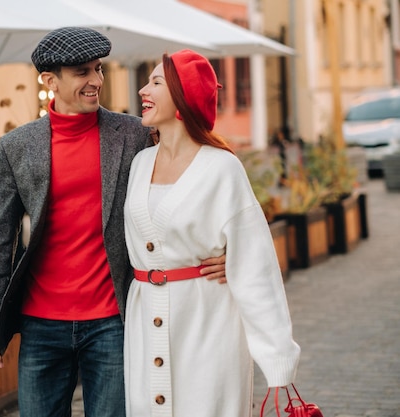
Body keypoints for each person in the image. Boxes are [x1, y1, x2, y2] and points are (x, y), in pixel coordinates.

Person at [0, 28, 226, 417]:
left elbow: (184, 188)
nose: (95, 81)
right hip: (41, 325)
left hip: (113, 320)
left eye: (98, 69)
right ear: (49, 81)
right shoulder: (17, 147)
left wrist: (227, 249)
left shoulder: (134, 134)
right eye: (81, 72)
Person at [123, 49, 301, 417]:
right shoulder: (140, 164)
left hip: (207, 320)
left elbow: (256, 266)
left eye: (156, 82)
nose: (143, 89)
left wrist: (277, 358)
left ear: (182, 99)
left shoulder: (222, 169)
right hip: (143, 322)